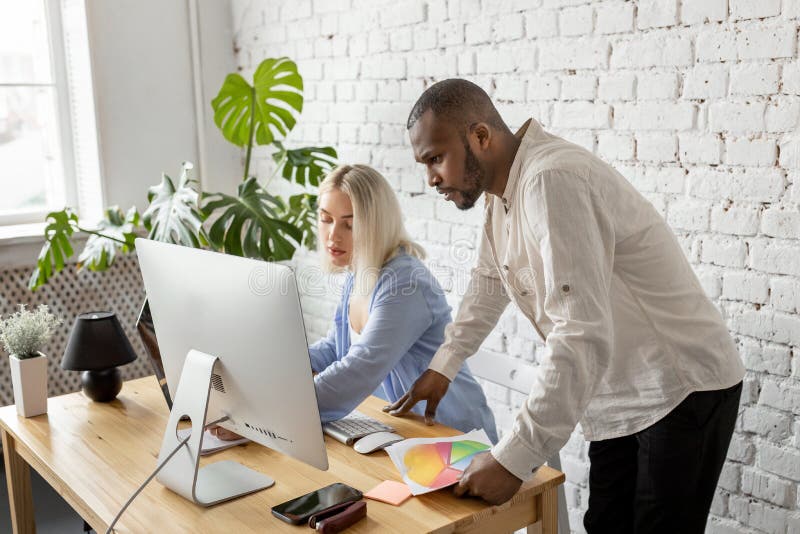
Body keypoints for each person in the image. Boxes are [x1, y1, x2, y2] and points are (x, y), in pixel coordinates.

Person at [385, 79, 744, 533]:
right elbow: (489, 284)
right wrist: (444, 366)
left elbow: (578, 332)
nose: (431, 178)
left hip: (681, 386)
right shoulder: (503, 196)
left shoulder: (551, 180)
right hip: (620, 392)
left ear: (480, 136)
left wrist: (513, 460)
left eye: (436, 158)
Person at [213, 164, 498, 443]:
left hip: (453, 437)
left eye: (349, 224)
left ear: (376, 225)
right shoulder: (360, 272)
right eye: (326, 219)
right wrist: (262, 377)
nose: (333, 235)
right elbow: (332, 349)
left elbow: (358, 368)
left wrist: (263, 416)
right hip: (402, 431)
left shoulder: (405, 284)